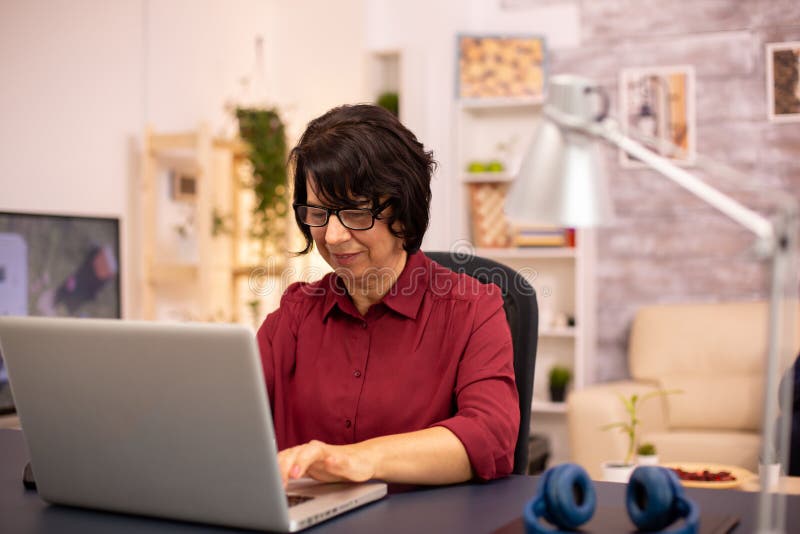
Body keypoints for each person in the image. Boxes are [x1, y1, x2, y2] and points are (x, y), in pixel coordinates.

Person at [256, 104, 519, 487]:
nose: (333, 237)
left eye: (355, 212)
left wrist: (361, 458)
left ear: (403, 209)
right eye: (318, 213)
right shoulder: (295, 315)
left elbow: (492, 437)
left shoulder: (473, 309)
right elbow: (228, 415)